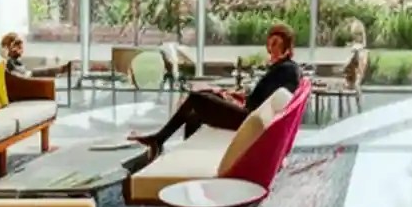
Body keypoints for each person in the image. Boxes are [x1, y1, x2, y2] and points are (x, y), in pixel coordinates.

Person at [129, 23, 301, 154]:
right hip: (248, 112)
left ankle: (159, 139)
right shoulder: (285, 67)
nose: (271, 48)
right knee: (197, 109)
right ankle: (187, 153)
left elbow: (266, 103)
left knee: (197, 98)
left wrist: (238, 100)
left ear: (288, 45)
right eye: (269, 43)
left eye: (276, 43)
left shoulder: (287, 70)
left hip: (247, 118)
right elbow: (265, 97)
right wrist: (236, 96)